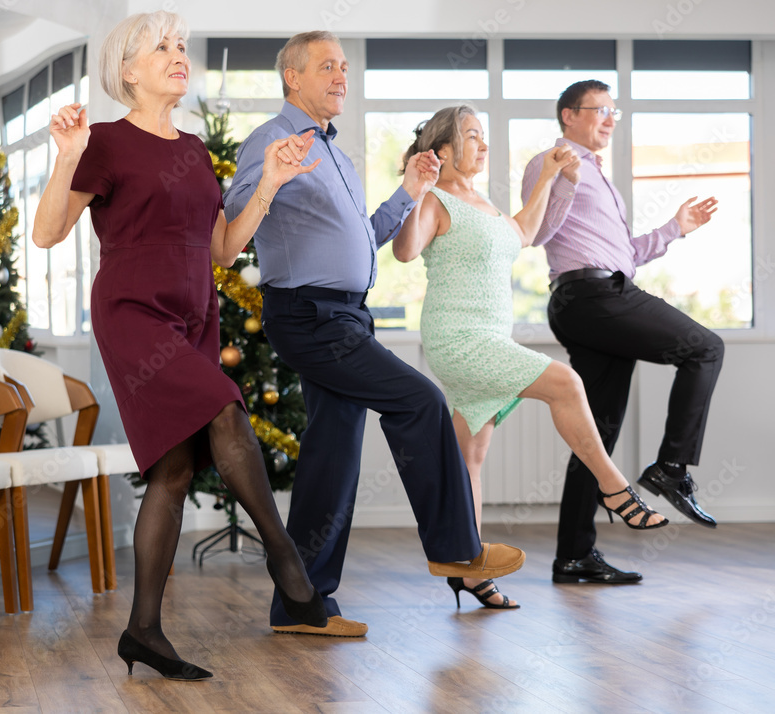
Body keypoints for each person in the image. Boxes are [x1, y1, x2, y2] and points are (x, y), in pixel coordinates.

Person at [33, 11, 328, 681]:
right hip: (134, 314)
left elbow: (223, 250)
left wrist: (270, 184)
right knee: (224, 407)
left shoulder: (193, 150)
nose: (178, 55)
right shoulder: (104, 141)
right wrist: (67, 155)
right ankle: (288, 563)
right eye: (162, 47)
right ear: (128, 71)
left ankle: (143, 630)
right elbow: (48, 233)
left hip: (195, 317)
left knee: (172, 471)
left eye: (182, 46)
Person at [225, 32, 525, 637]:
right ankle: (456, 549)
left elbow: (364, 238)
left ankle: (301, 605)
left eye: (344, 66)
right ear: (292, 78)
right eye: (326, 66)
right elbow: (231, 224)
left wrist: (410, 191)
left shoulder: (334, 153)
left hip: (344, 315)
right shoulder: (272, 140)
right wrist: (271, 180)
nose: (341, 76)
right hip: (310, 315)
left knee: (332, 457)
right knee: (420, 400)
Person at [393, 106, 668, 609]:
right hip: (461, 338)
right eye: (472, 136)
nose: (483, 144)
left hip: (489, 335)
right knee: (566, 382)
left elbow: (523, 233)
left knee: (470, 456)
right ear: (444, 150)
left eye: (483, 136)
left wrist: (547, 179)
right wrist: (414, 190)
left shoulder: (481, 202)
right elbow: (406, 251)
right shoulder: (434, 199)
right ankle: (614, 488)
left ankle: (468, 566)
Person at [522, 79, 723, 585]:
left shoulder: (597, 175)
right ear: (569, 115)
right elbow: (536, 232)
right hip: (590, 298)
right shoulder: (551, 163)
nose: (610, 119)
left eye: (614, 111)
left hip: (601, 293)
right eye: (600, 110)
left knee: (595, 434)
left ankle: (574, 556)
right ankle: (671, 468)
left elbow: (624, 257)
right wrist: (562, 180)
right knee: (705, 347)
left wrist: (675, 228)